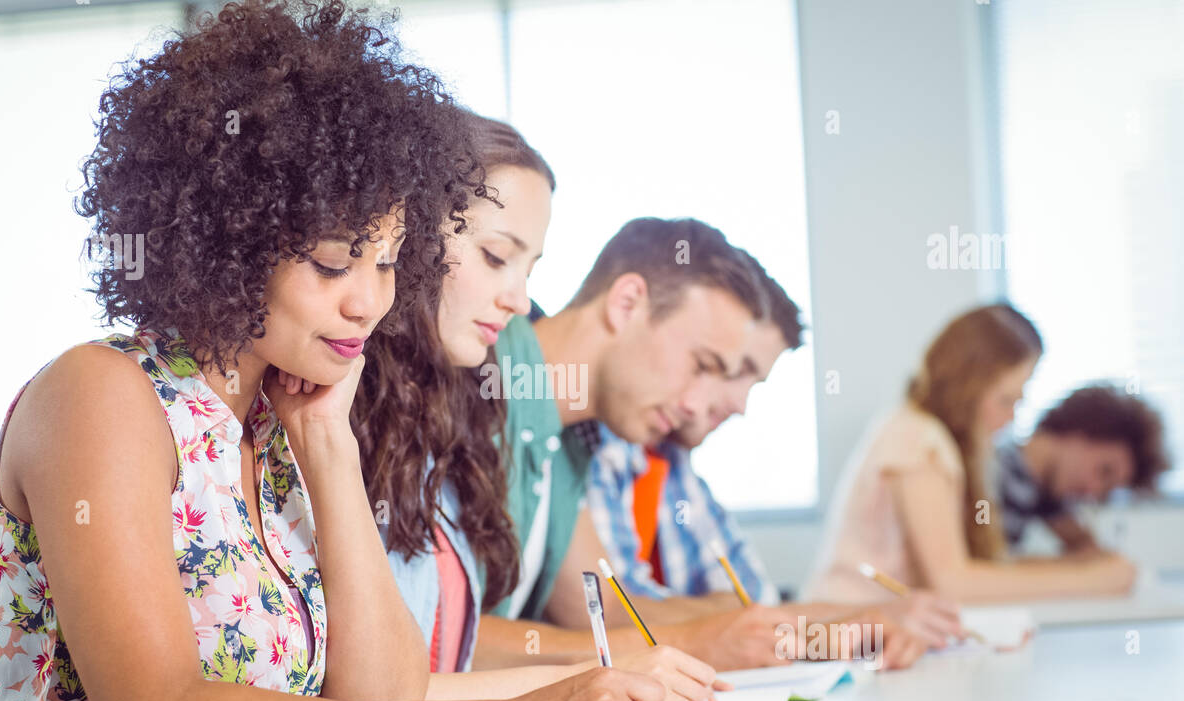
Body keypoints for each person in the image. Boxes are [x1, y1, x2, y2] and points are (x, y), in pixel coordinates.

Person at [0, 0, 662, 701]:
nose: (369, 300)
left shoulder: (287, 423)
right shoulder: (103, 396)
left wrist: (330, 449)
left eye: (388, 263)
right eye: (337, 263)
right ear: (229, 237)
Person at [353, 111, 719, 701]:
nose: (520, 300)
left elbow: (432, 661)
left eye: (530, 269)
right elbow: (381, 691)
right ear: (405, 237)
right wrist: (591, 678)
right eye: (496, 256)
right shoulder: (335, 413)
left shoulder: (440, 416)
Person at [469, 217, 917, 672]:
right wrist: (698, 641)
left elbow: (605, 613)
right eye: (703, 364)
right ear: (626, 304)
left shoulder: (567, 440)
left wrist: (813, 631)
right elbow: (440, 638)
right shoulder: (477, 372)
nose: (698, 404)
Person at [587, 257, 958, 660]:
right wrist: (757, 619)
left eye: (751, 379)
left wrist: (861, 621)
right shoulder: (602, 443)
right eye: (721, 367)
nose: (739, 404)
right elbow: (613, 616)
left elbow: (755, 606)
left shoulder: (674, 466)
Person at [803, 303, 1138, 607]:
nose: (1011, 418)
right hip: (845, 638)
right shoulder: (916, 437)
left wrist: (1074, 566)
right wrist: (1092, 580)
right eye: (1006, 400)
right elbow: (954, 585)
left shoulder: (937, 441)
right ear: (967, 389)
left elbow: (982, 569)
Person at [997, 384, 1170, 551]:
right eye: (1104, 470)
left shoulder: (1045, 491)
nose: (1092, 490)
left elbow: (1091, 550)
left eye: (1105, 490)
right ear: (1081, 430)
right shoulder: (996, 468)